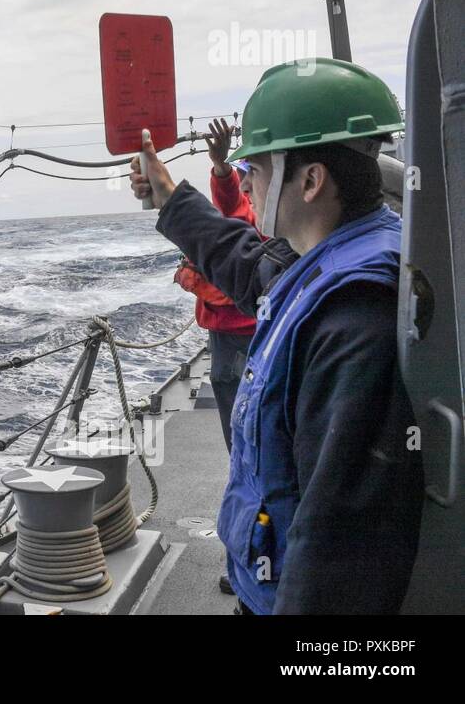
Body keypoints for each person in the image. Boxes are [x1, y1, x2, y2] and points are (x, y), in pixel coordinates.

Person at [130, 58, 423, 615]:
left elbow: (339, 541)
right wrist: (169, 196)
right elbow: (244, 263)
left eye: (256, 169)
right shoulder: (326, 256)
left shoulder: (355, 320)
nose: (243, 181)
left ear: (310, 181)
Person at [175, 118, 257, 453]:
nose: (248, 184)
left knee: (239, 414)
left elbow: (234, 219)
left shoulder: (256, 223)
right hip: (243, 328)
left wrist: (222, 167)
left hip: (235, 330)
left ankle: (251, 488)